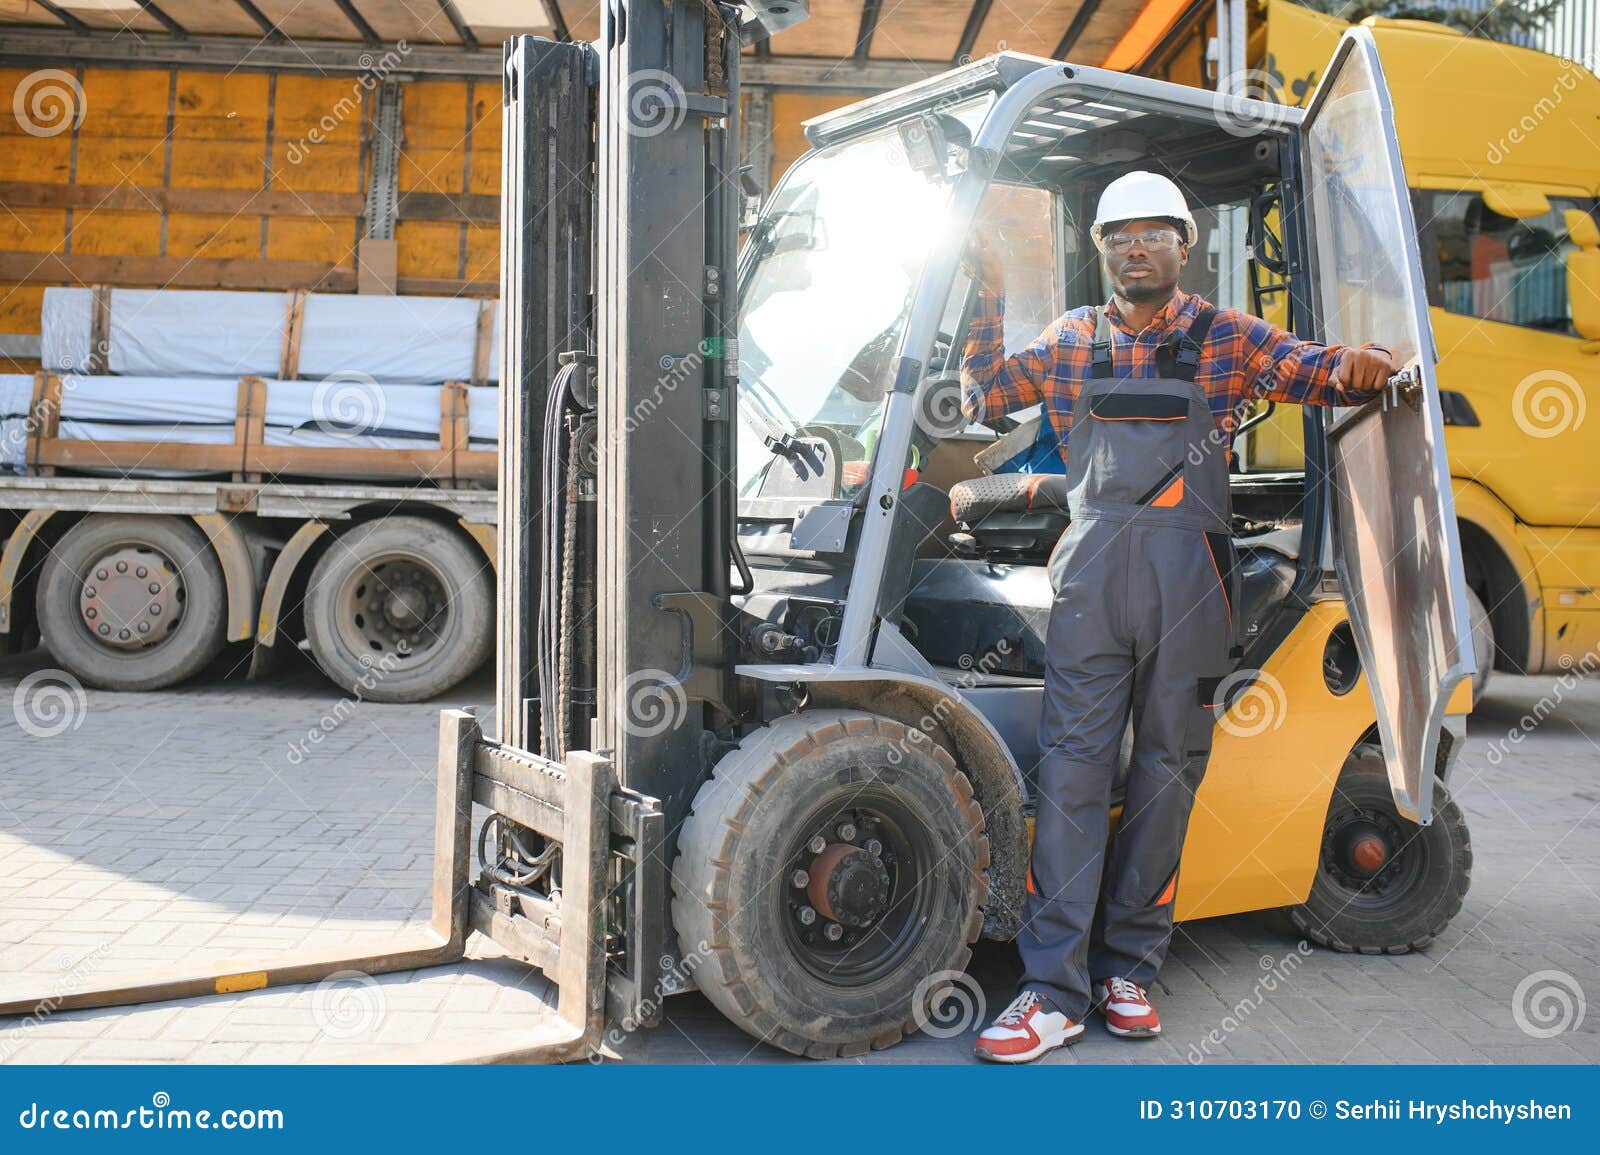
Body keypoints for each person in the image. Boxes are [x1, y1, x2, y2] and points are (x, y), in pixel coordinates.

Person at [962, 171, 1398, 1063]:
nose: (1135, 247)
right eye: (1119, 233)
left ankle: (1129, 967)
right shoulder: (1069, 341)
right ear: (1101, 250)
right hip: (1089, 582)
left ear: (1184, 245)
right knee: (1075, 770)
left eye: (1154, 232)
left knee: (1168, 772)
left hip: (1190, 580)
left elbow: (1318, 373)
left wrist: (1365, 365)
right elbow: (980, 399)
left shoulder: (1227, 338)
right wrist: (986, 292)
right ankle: (1051, 989)